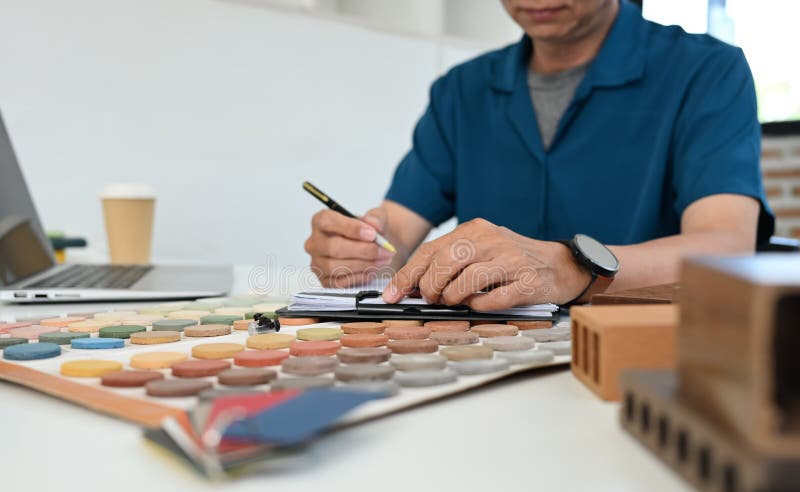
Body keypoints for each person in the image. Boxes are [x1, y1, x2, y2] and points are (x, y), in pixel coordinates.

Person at [304, 0, 773, 309]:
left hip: (639, 356)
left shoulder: (707, 70)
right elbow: (396, 234)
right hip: (485, 362)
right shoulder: (461, 91)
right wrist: (362, 253)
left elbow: (724, 247)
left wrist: (575, 267)